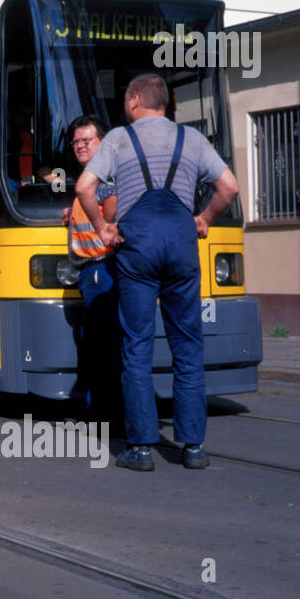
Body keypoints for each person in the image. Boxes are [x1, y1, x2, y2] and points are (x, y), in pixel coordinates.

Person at [75, 74, 241, 471]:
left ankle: (141, 448)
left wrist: (103, 228)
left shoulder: (118, 138)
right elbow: (230, 187)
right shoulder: (193, 139)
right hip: (181, 245)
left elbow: (84, 186)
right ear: (165, 103)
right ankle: (194, 446)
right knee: (187, 345)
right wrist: (203, 218)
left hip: (139, 247)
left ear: (134, 100)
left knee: (137, 344)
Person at [61, 115, 121, 425]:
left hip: (102, 267)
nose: (81, 145)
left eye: (88, 140)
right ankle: (98, 410)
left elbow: (111, 214)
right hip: (91, 271)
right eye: (76, 141)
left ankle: (106, 413)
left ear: (103, 142)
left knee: (102, 345)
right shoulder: (92, 176)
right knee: (96, 342)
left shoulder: (105, 177)